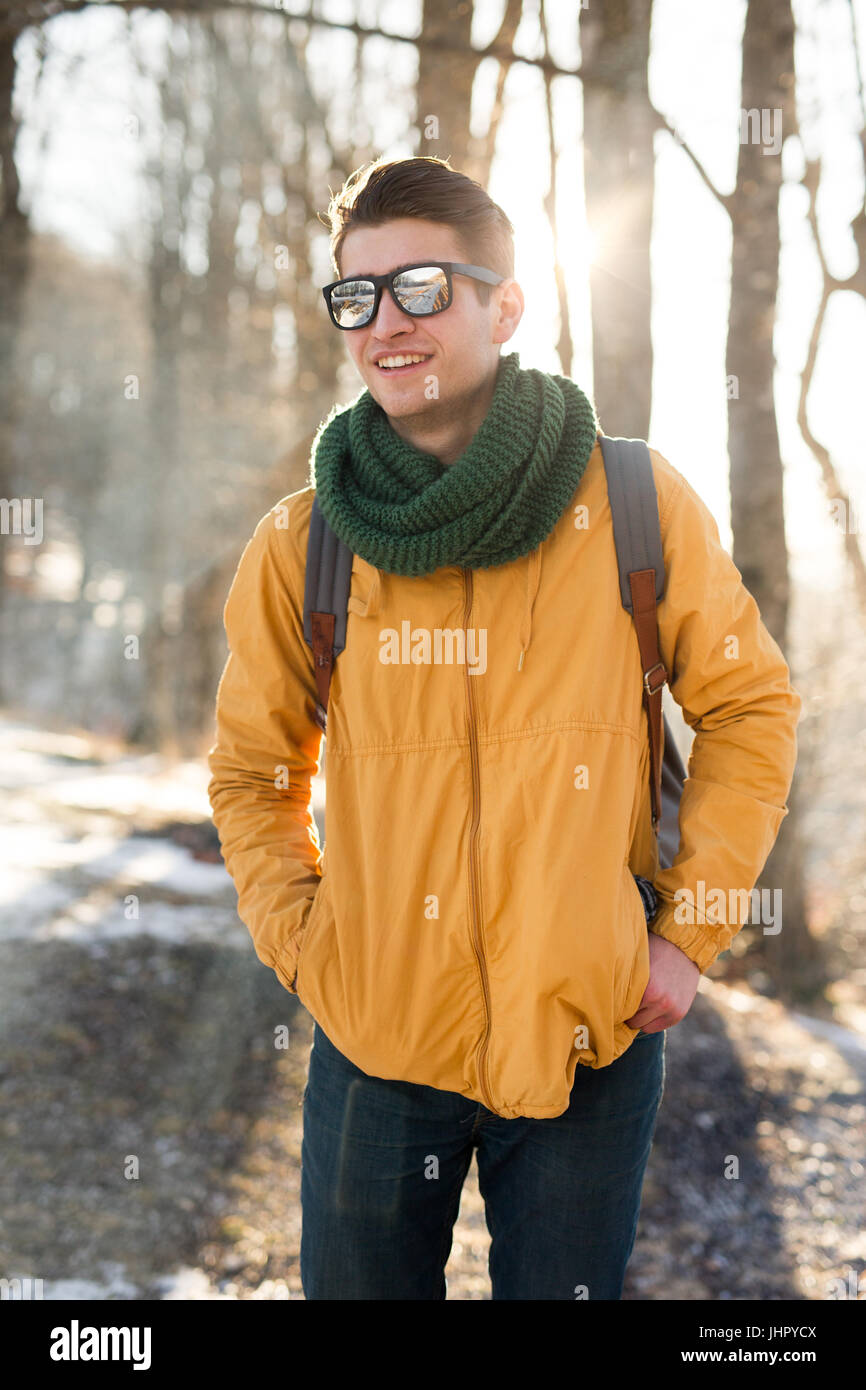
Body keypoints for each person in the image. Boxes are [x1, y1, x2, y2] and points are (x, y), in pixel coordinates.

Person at [206, 155, 801, 1300]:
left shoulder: (632, 500)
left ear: (503, 303)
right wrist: (308, 947)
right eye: (355, 294)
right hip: (374, 1050)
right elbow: (252, 769)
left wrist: (687, 934)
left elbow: (748, 706)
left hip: (590, 1037)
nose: (384, 322)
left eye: (421, 286)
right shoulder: (303, 544)